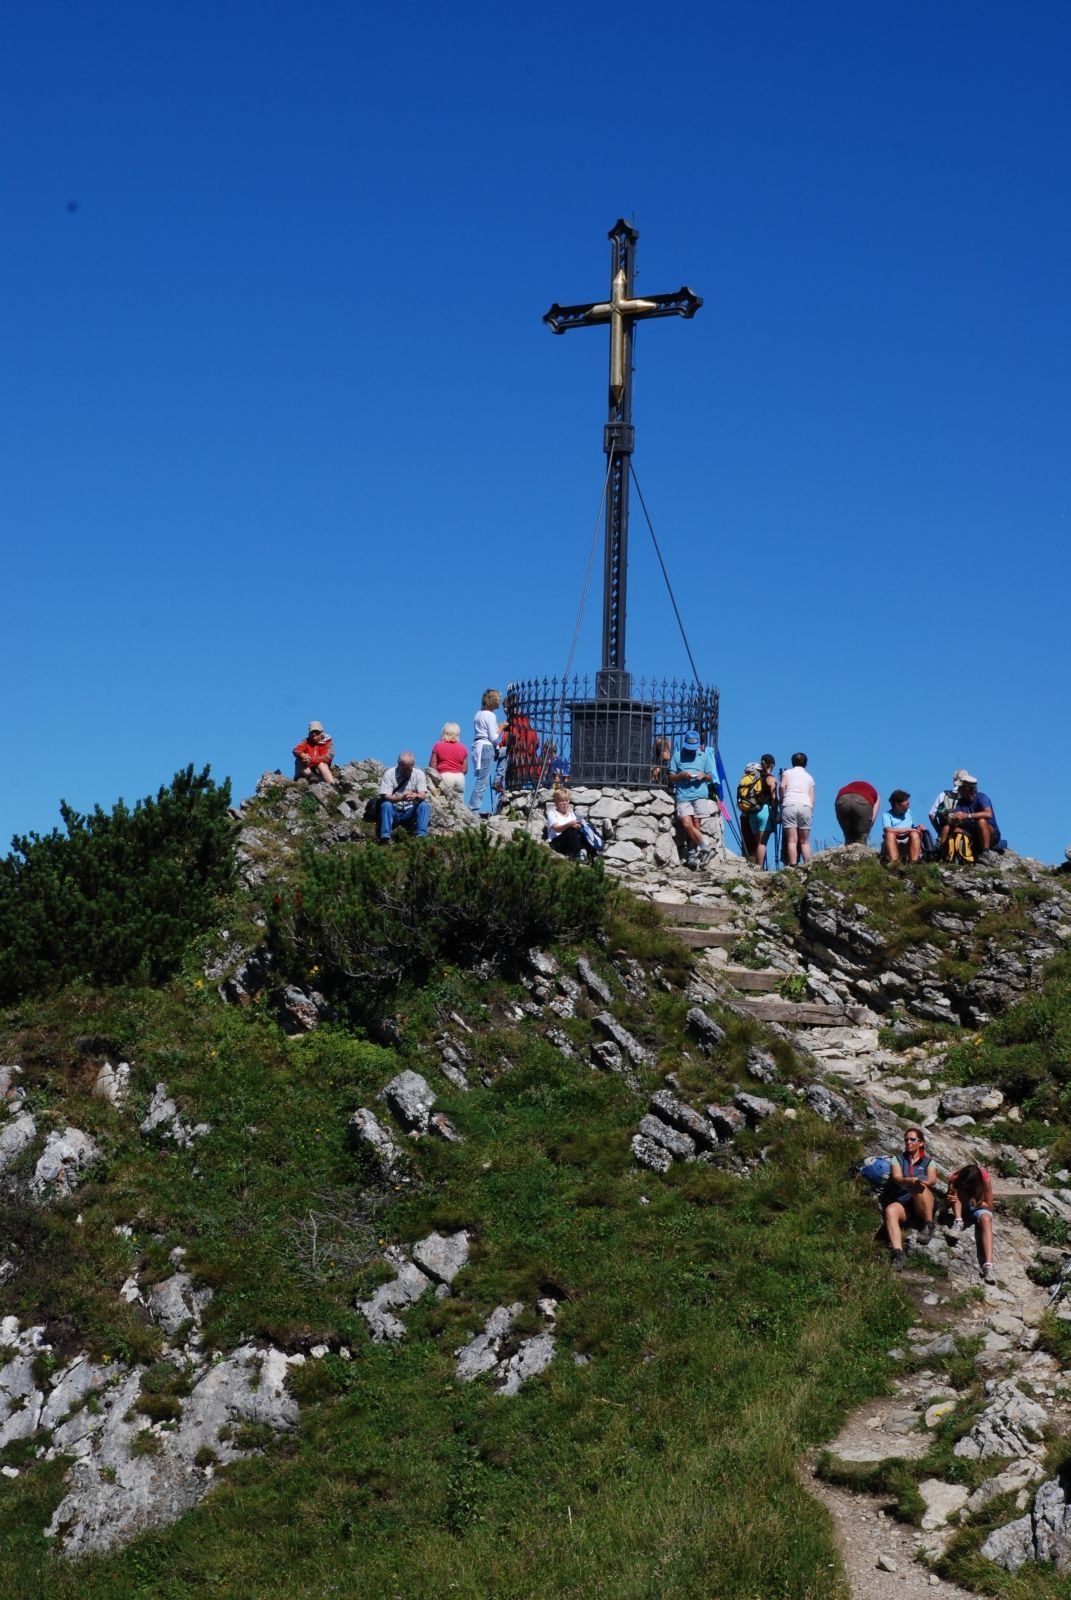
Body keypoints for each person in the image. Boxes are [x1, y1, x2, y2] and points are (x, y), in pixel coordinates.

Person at [883, 1127, 938, 1269]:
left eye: (912, 1140)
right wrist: (909, 1180)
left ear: (921, 1143)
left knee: (919, 1187)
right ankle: (898, 1254)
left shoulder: (928, 1162)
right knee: (890, 1211)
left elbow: (932, 1180)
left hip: (921, 1202)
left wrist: (917, 1181)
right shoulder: (898, 1159)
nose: (908, 1142)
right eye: (906, 1140)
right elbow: (896, 1177)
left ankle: (928, 1224)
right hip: (904, 1203)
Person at [668, 729, 718, 869]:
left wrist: (703, 776)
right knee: (686, 823)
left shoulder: (704, 756)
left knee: (696, 824)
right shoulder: (677, 756)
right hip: (683, 794)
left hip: (700, 794)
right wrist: (682, 775)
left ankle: (691, 854)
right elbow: (671, 777)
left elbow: (710, 776)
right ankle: (706, 848)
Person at [946, 1163, 996, 1284]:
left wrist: (975, 1202)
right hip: (962, 1207)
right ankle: (958, 1222)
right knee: (956, 1193)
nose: (966, 1186)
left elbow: (989, 1206)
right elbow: (947, 1204)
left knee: (986, 1219)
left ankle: (988, 1265)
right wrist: (948, 1200)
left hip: (978, 1206)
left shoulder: (985, 1179)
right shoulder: (954, 1179)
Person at [378, 752, 430, 842]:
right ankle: (385, 836)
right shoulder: (389, 774)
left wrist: (416, 796)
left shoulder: (419, 774)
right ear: (399, 765)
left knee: (424, 805)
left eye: (409, 769)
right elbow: (385, 795)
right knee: (386, 805)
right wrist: (399, 798)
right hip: (394, 810)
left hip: (410, 810)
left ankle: (422, 835)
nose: (407, 772)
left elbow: (423, 795)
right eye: (404, 769)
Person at [946, 774, 1000, 858]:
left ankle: (986, 851)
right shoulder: (961, 802)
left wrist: (968, 815)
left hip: (991, 834)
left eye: (960, 788)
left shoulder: (981, 798)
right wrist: (954, 819)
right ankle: (946, 856)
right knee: (947, 828)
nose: (958, 790)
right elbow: (958, 817)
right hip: (972, 833)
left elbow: (988, 814)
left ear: (967, 789)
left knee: (981, 821)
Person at [469, 689, 503, 817]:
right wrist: (501, 728)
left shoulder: (478, 714)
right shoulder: (491, 715)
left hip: (479, 746)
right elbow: (494, 738)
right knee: (482, 780)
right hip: (487, 747)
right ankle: (474, 808)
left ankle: (474, 807)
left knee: (481, 778)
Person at [780, 752, 815, 866]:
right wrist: (811, 811)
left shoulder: (787, 773)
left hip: (789, 804)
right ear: (806, 763)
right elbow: (812, 798)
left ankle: (793, 865)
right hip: (805, 806)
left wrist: (782, 799)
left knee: (791, 840)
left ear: (792, 762)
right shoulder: (809, 777)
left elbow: (782, 786)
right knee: (805, 841)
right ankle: (808, 865)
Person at [882, 790, 924, 864]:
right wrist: (907, 830)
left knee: (914, 833)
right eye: (906, 804)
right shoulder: (886, 815)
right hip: (894, 841)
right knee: (890, 834)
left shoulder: (909, 812)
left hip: (908, 841)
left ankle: (913, 863)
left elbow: (913, 828)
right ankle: (894, 864)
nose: (909, 806)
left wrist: (918, 827)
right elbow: (887, 829)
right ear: (897, 805)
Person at [929, 770, 968, 849]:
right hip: (964, 828)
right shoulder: (968, 796)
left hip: (945, 828)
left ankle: (943, 855)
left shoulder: (943, 795)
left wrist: (939, 830)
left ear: (954, 780)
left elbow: (931, 814)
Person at [428, 723, 469, 798]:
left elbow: (432, 766)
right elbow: (465, 769)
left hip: (445, 776)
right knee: (459, 804)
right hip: (460, 778)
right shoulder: (463, 748)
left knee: (444, 802)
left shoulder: (438, 745)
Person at [545, 790, 588, 859]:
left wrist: (578, 826)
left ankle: (589, 853)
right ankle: (576, 853)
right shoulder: (552, 813)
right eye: (562, 801)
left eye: (566, 800)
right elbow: (556, 829)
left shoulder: (571, 814)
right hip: (557, 842)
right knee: (570, 829)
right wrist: (569, 824)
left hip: (569, 842)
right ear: (556, 802)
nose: (565, 803)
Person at [834, 779, 880, 845]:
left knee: (848, 836)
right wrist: (867, 827)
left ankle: (848, 850)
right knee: (861, 837)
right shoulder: (877, 796)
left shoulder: (847, 787)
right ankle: (861, 853)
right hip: (863, 801)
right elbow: (872, 818)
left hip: (842, 800)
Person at [293, 720, 335, 785]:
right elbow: (296, 750)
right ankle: (310, 776)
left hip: (319, 769)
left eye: (316, 732)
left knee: (321, 764)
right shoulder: (306, 741)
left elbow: (327, 757)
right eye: (312, 732)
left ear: (321, 733)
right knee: (299, 759)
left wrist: (311, 760)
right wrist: (302, 755)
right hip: (306, 768)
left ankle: (332, 784)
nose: (314, 734)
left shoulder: (327, 743)